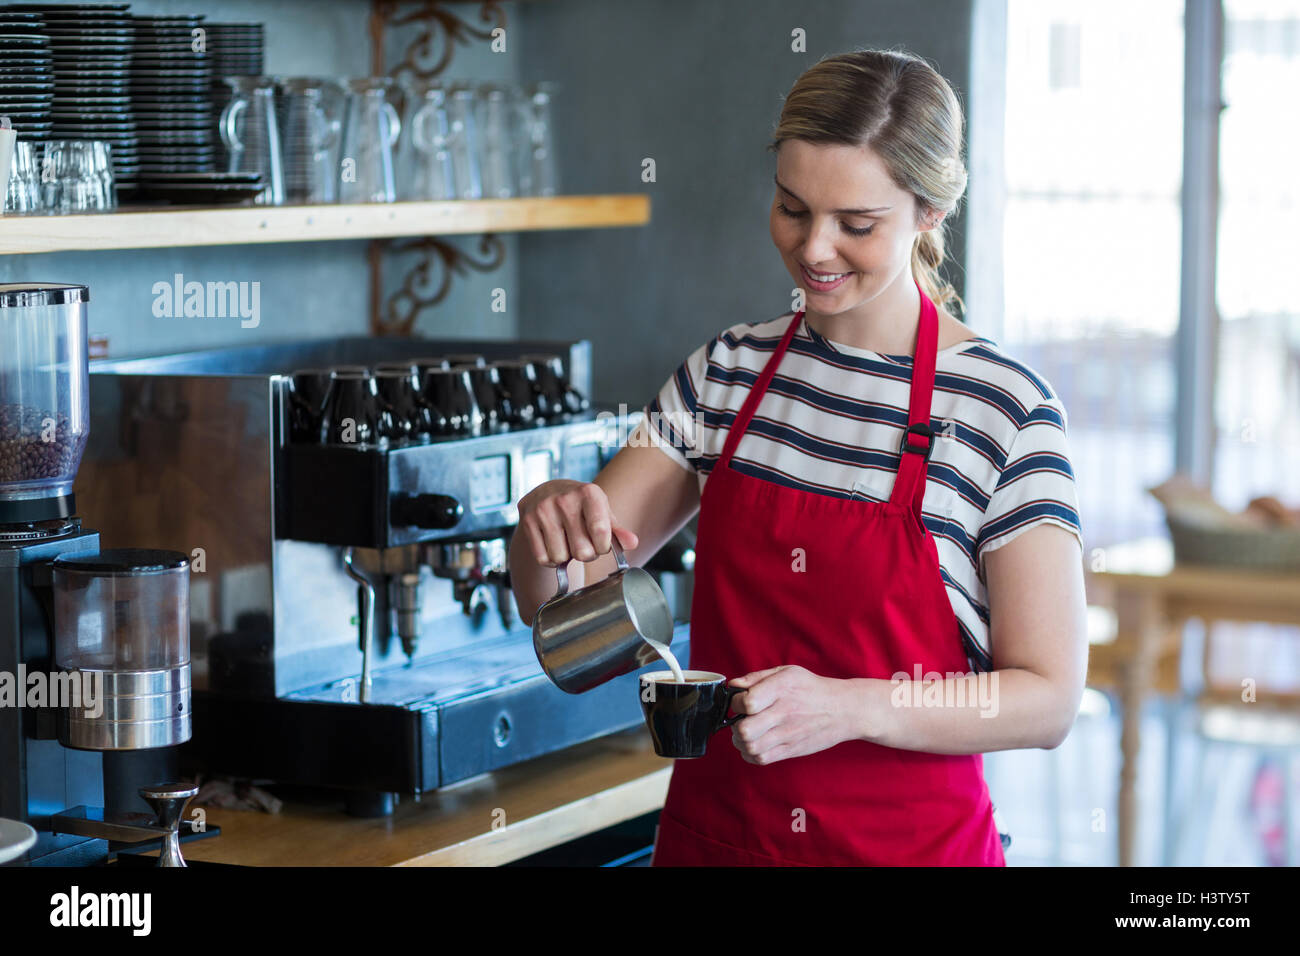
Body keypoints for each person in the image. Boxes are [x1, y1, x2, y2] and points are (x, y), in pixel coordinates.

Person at [508, 48, 1088, 866]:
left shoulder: (1002, 409)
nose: (814, 249)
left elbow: (1048, 699)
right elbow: (563, 602)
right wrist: (545, 524)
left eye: (857, 224)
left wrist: (854, 709)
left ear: (928, 212)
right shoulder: (726, 374)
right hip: (720, 845)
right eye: (791, 208)